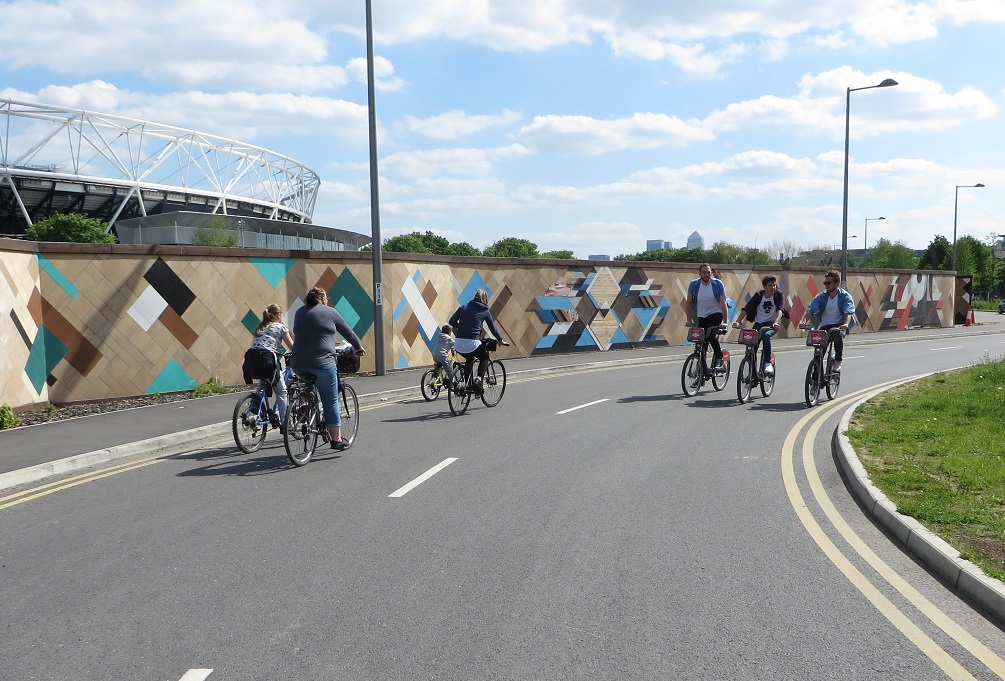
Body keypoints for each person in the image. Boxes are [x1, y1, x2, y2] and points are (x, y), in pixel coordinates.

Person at [290, 287, 365, 450]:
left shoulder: (299, 313)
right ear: (323, 299)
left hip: (298, 363)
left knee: (308, 383)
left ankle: (304, 403)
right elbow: (348, 333)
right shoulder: (329, 311)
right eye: (326, 299)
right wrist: (358, 347)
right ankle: (336, 439)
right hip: (323, 363)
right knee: (330, 400)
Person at [448, 289, 510, 392]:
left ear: (475, 297)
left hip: (458, 343)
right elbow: (492, 328)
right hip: (473, 343)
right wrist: (500, 340)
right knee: (484, 357)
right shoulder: (485, 311)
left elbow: (451, 321)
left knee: (469, 360)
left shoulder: (463, 307)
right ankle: (478, 379)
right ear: (485, 299)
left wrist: (462, 327)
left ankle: (467, 386)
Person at [242, 304, 294, 426]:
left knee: (263, 382)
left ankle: (255, 406)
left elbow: (262, 345)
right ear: (278, 315)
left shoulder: (260, 328)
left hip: (252, 360)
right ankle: (286, 424)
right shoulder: (280, 327)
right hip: (267, 361)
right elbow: (292, 347)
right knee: (281, 392)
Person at [801, 269, 854, 372]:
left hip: (839, 325)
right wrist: (803, 321)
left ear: (837, 283)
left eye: (829, 283)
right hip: (825, 326)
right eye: (825, 283)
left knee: (837, 336)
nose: (827, 285)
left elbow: (848, 312)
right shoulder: (822, 296)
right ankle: (816, 378)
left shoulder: (845, 296)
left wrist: (846, 324)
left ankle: (837, 360)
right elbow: (811, 309)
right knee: (818, 352)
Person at [733, 274, 784, 375]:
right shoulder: (759, 295)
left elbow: (780, 309)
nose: (772, 288)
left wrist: (776, 322)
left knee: (766, 335)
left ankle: (767, 363)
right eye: (770, 285)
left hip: (772, 324)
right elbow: (747, 308)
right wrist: (738, 321)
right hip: (759, 323)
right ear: (764, 286)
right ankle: (752, 372)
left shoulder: (778, 295)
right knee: (752, 345)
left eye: (774, 285)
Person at [686, 263, 729, 371]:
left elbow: (723, 303)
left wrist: (724, 321)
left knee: (710, 335)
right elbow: (689, 302)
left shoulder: (717, 284)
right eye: (704, 272)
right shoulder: (694, 284)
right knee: (702, 342)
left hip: (716, 313)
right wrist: (688, 319)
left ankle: (719, 357)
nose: (706, 274)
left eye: (708, 272)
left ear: (711, 273)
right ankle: (702, 371)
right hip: (702, 315)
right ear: (699, 273)